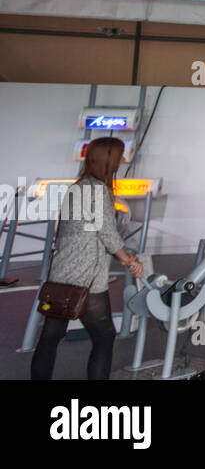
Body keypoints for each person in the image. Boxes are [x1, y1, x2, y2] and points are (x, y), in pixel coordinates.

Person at [31, 137, 145, 380]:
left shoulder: (78, 186)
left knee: (50, 337)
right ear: (108, 160)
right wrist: (129, 260)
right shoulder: (98, 190)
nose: (121, 162)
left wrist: (124, 256)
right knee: (104, 337)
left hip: (62, 274)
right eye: (119, 157)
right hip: (87, 278)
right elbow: (108, 235)